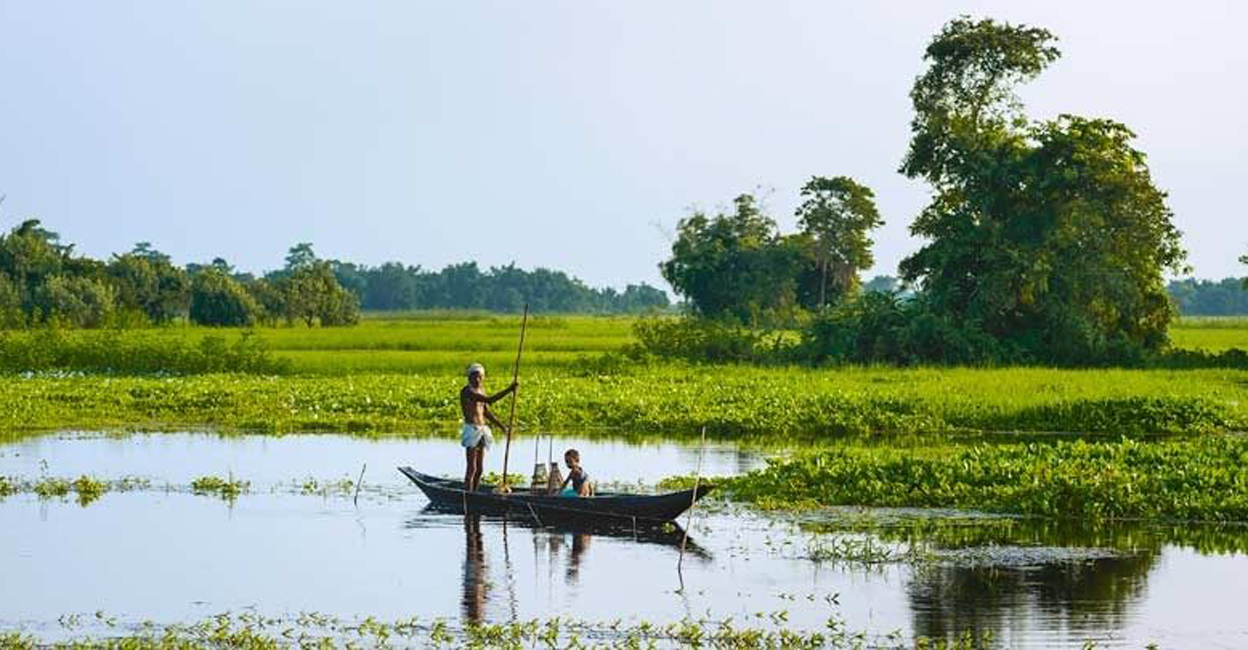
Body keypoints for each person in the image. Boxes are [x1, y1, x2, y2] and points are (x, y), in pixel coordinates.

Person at [459, 363, 517, 491]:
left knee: (480, 468)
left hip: (482, 430)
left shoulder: (481, 390)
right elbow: (490, 400)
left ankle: (475, 492)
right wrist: (509, 389)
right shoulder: (467, 391)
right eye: (475, 377)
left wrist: (502, 426)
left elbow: (486, 412)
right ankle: (468, 494)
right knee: (472, 468)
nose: (478, 379)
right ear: (469, 377)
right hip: (472, 430)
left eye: (480, 377)